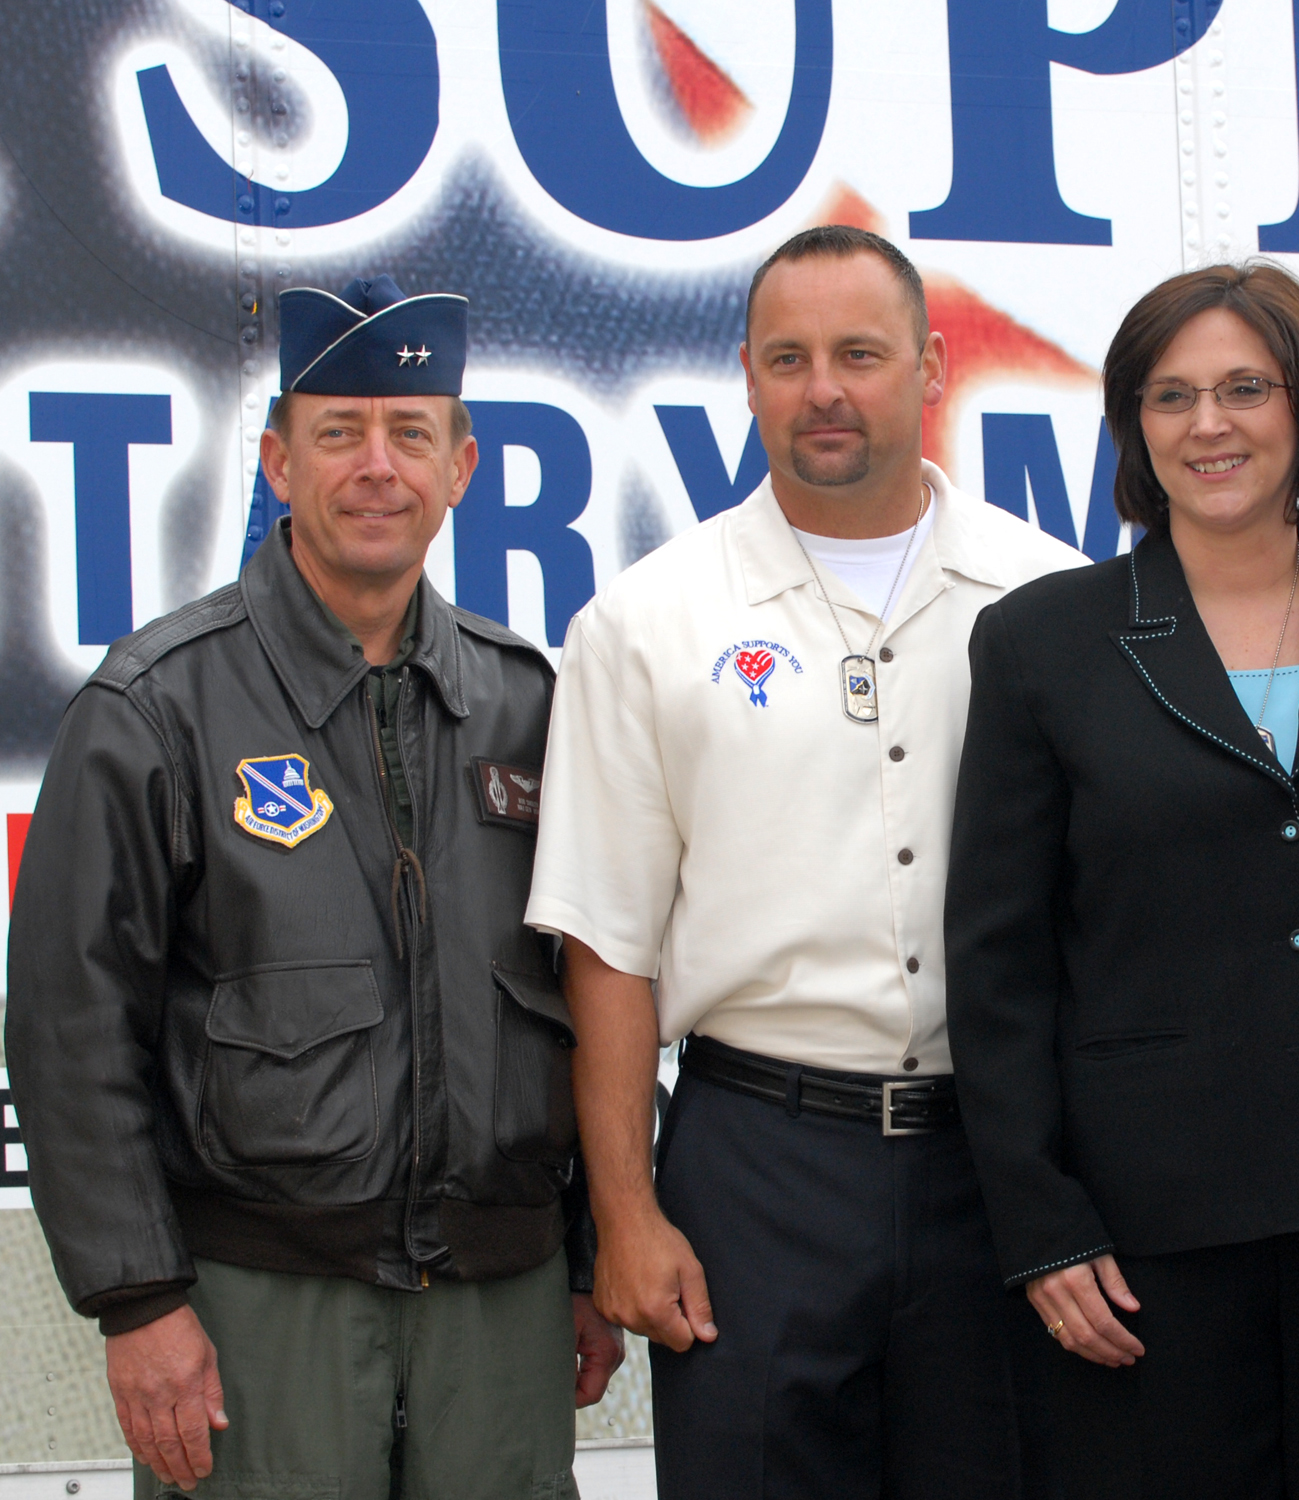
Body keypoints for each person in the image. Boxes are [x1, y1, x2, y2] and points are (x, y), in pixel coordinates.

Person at [5, 274, 622, 1498]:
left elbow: (592, 1000)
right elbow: (73, 1025)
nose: (376, 467)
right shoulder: (158, 707)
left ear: (463, 467)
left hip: (496, 1310)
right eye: (338, 433)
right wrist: (138, 1303)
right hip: (257, 1306)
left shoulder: (530, 706)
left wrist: (589, 1261)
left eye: (409, 434)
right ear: (280, 464)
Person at [524, 225, 1083, 1498]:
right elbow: (605, 945)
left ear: (933, 369)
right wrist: (625, 1212)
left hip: (992, 1161)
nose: (822, 386)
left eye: (858, 353)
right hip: (754, 1168)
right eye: (788, 357)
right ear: (749, 375)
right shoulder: (646, 622)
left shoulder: (1046, 600)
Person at [944, 261, 1299, 1497]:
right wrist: (1041, 1227)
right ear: (1134, 426)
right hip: (1151, 1247)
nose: (1210, 424)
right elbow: (1000, 964)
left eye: (1247, 387)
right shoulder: (1044, 642)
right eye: (1170, 395)